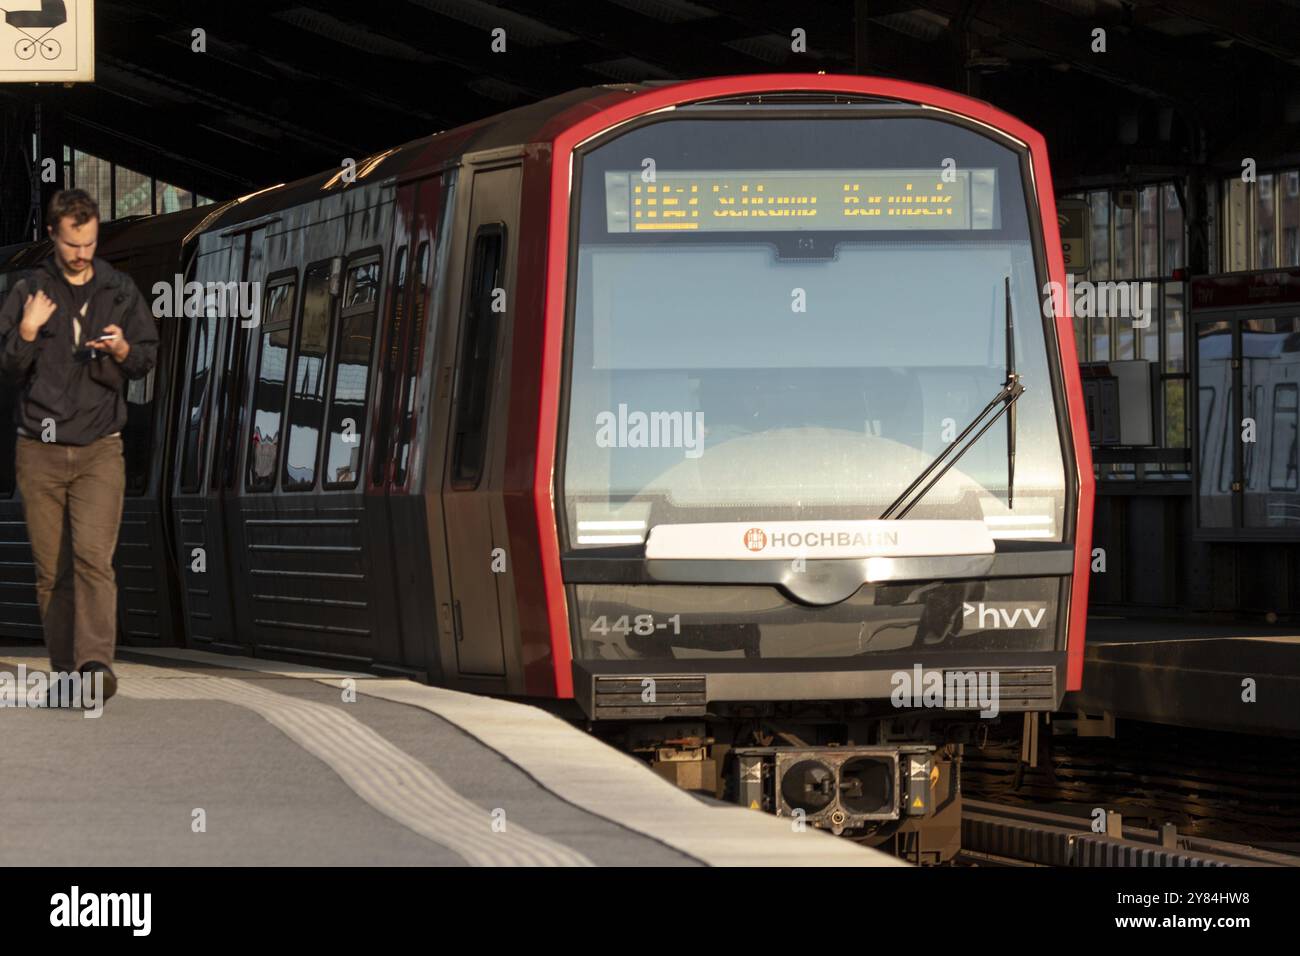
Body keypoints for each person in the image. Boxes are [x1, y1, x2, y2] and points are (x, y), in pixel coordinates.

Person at [0, 189, 158, 705]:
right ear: (53, 235)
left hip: (98, 448)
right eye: (72, 244)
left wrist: (123, 348)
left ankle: (95, 665)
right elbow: (8, 368)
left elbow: (146, 359)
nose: (82, 253)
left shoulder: (118, 291)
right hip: (39, 451)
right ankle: (67, 671)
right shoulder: (28, 290)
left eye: (89, 242)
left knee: (93, 558)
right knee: (54, 572)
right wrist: (25, 331)